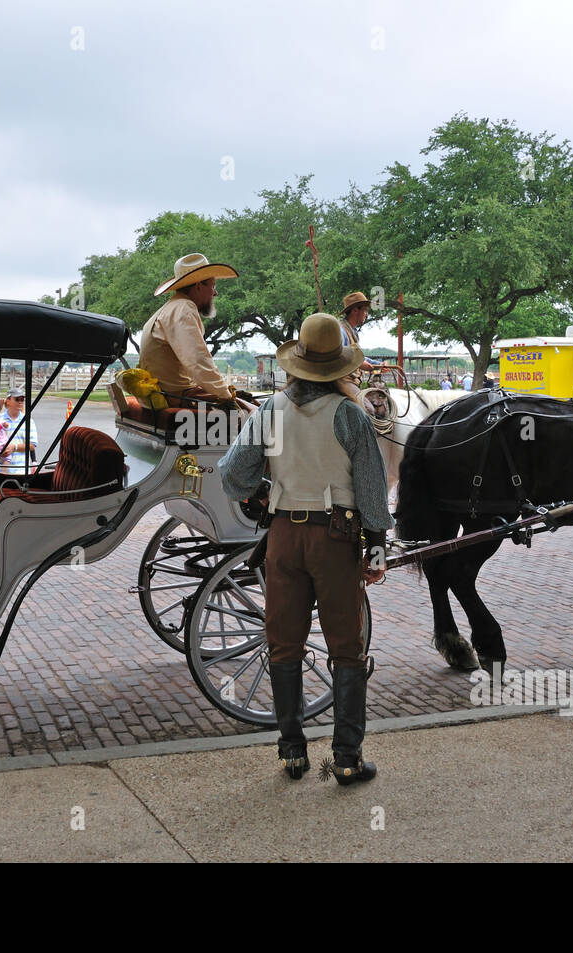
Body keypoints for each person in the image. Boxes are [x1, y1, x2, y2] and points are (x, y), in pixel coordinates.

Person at [220, 312, 392, 786]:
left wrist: (265, 493)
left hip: (282, 538)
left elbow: (233, 476)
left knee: (284, 645)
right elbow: (374, 497)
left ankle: (291, 753)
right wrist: (375, 551)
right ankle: (347, 758)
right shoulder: (351, 415)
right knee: (347, 649)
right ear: (339, 368)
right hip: (335, 538)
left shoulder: (271, 411)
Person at [139, 253, 239, 407]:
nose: (215, 293)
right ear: (199, 285)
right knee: (253, 416)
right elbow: (198, 362)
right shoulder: (184, 308)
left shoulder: (172, 307)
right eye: (213, 286)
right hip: (176, 398)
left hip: (165, 394)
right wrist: (225, 396)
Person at [336, 291, 384, 401]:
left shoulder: (351, 330)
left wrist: (378, 364)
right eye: (365, 310)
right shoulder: (341, 330)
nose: (367, 314)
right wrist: (360, 364)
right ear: (355, 310)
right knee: (369, 409)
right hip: (343, 382)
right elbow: (340, 355)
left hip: (351, 382)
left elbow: (357, 356)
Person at [0, 387, 38, 473]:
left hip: (21, 471)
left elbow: (32, 445)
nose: (20, 401)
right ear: (8, 400)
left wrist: (15, 447)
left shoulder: (28, 421)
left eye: (22, 399)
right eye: (17, 399)